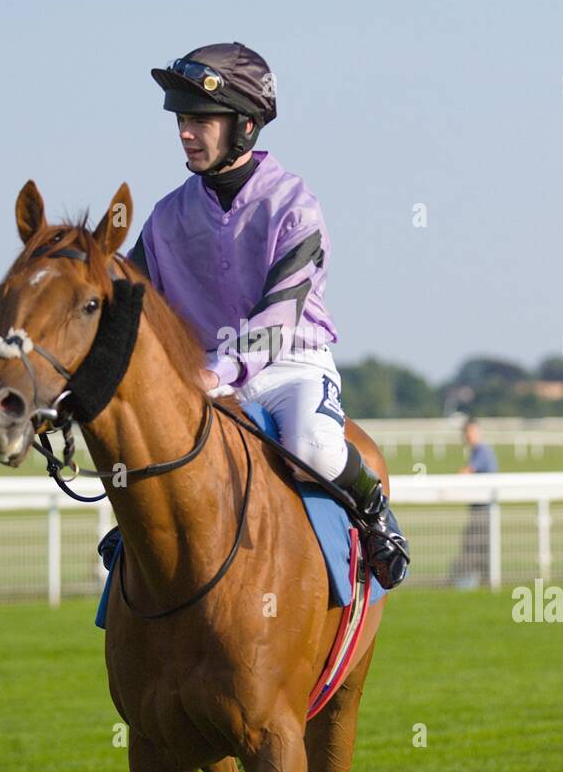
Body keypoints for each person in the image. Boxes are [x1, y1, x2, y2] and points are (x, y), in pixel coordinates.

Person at [122, 41, 409, 589]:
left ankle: (373, 510)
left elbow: (279, 317)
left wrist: (218, 374)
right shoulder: (164, 218)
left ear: (247, 126)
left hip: (290, 369)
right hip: (201, 377)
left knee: (312, 446)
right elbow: (133, 305)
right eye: (182, 119)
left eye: (200, 120)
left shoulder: (295, 205)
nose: (185, 131)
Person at [448, 416, 498, 587]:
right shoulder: (478, 451)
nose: (467, 436)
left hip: (484, 508)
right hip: (481, 506)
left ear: (477, 432)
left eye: (469, 432)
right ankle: (482, 581)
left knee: (474, 544)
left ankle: (462, 582)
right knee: (480, 546)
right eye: (465, 433)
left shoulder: (482, 451)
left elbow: (467, 472)